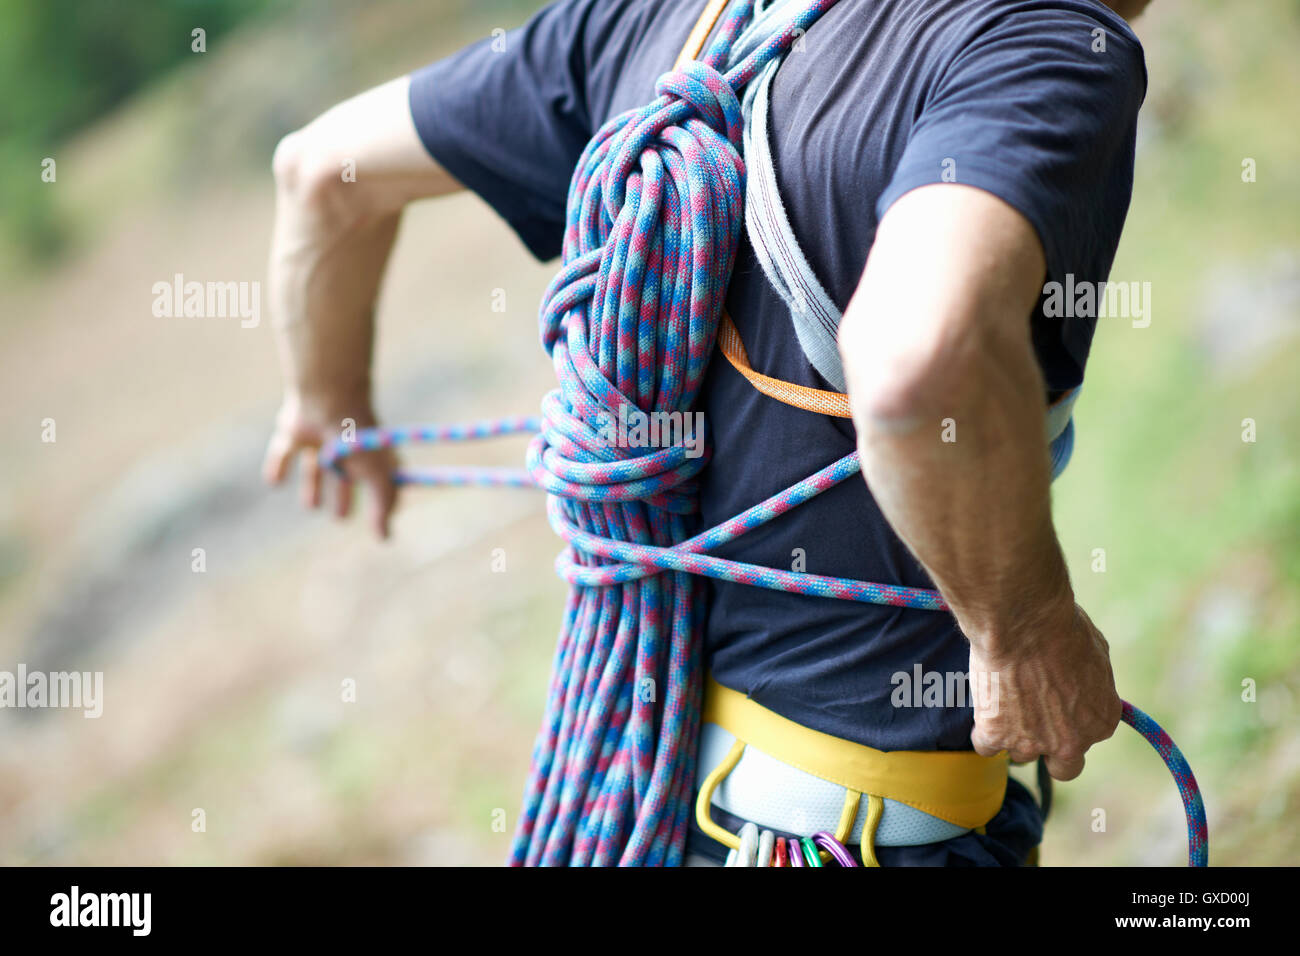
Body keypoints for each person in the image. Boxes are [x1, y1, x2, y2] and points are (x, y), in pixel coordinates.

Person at [263, 0, 1150, 865]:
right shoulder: (1047, 42)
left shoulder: (648, 21)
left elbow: (321, 172)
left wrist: (327, 402)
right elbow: (913, 362)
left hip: (627, 793)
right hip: (864, 831)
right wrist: (1023, 627)